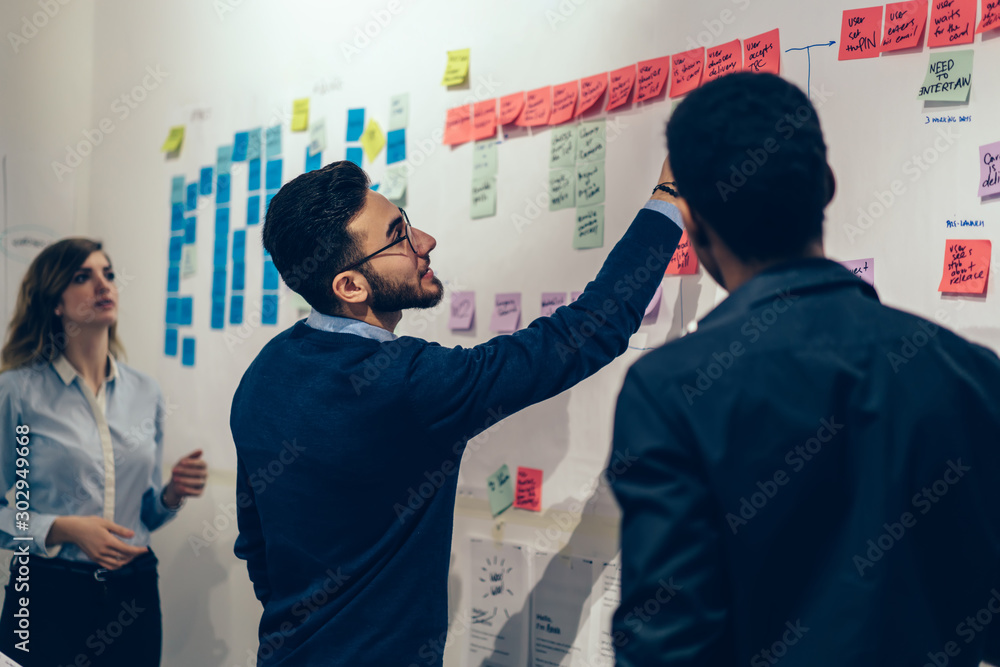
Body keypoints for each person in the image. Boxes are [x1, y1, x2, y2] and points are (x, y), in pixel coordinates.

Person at [609, 72, 1000, 666]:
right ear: (827, 186)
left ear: (693, 226)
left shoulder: (668, 390)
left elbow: (667, 644)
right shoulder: (969, 371)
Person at [230, 159, 683, 665]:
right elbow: (588, 331)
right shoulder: (406, 386)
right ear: (350, 287)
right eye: (398, 236)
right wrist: (668, 197)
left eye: (405, 219)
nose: (425, 241)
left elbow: (256, 546)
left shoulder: (263, 373)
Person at [0, 238, 208, 666]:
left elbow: (146, 514)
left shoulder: (145, 392)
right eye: (83, 277)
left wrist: (172, 494)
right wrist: (61, 528)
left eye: (108, 274)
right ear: (55, 302)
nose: (103, 285)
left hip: (134, 592)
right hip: (47, 592)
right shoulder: (18, 392)